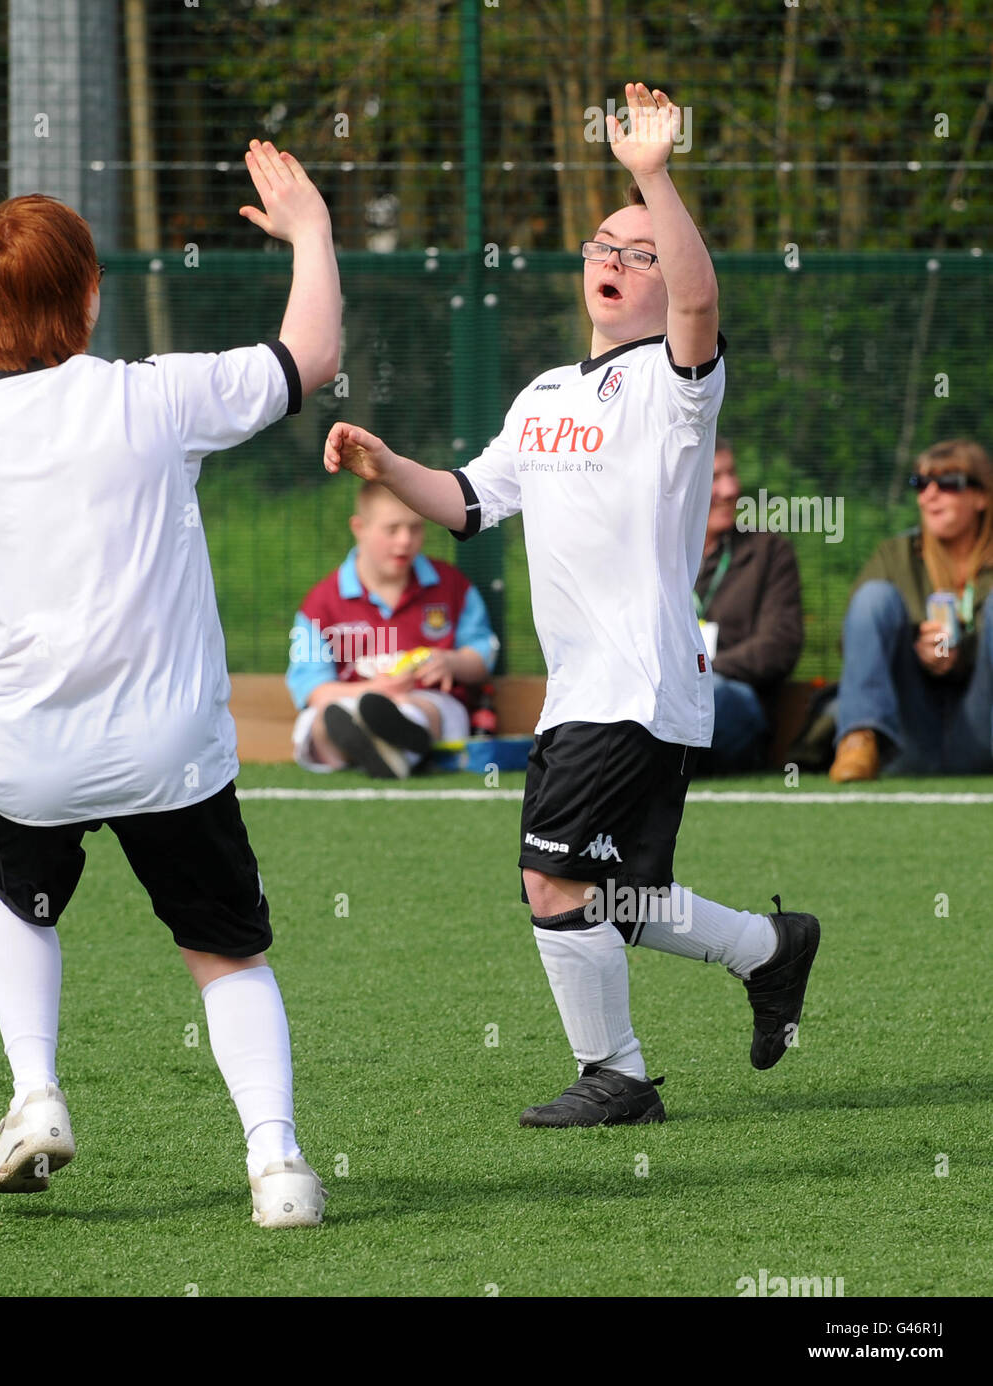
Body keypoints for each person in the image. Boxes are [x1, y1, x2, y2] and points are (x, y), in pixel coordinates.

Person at [323, 84, 819, 1127]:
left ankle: (619, 1075)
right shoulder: (545, 394)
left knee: (551, 885)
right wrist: (381, 459)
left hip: (634, 683)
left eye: (641, 249)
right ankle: (768, 949)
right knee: (615, 900)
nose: (619, 258)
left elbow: (697, 306)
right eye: (605, 242)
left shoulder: (676, 386)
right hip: (582, 693)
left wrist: (652, 175)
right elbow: (466, 500)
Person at [0, 140, 340, 1225]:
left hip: (25, 761)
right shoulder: (156, 397)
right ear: (92, 296)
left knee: (6, 889)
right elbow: (311, 354)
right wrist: (313, 229)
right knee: (221, 949)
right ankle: (278, 1165)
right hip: (171, 756)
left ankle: (37, 1092)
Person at [287, 481, 497, 778]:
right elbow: (312, 688)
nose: (405, 541)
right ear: (359, 528)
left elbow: (483, 658)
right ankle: (372, 746)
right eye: (392, 529)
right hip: (351, 697)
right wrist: (373, 691)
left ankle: (391, 741)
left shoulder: (453, 587)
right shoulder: (321, 603)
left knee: (425, 709)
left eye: (415, 528)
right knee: (320, 718)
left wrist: (452, 662)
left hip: (425, 698)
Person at [830, 439, 993, 780]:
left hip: (983, 729)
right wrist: (918, 643)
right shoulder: (894, 555)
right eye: (921, 483)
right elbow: (855, 646)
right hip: (908, 734)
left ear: (981, 497)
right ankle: (859, 741)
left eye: (948, 483)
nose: (929, 494)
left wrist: (960, 653)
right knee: (874, 597)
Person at [694, 440, 803, 773]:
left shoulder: (769, 551)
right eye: (714, 477)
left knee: (713, 695)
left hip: (733, 703)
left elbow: (779, 645)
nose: (729, 490)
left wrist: (700, 672)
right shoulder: (651, 553)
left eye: (731, 474)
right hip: (658, 699)